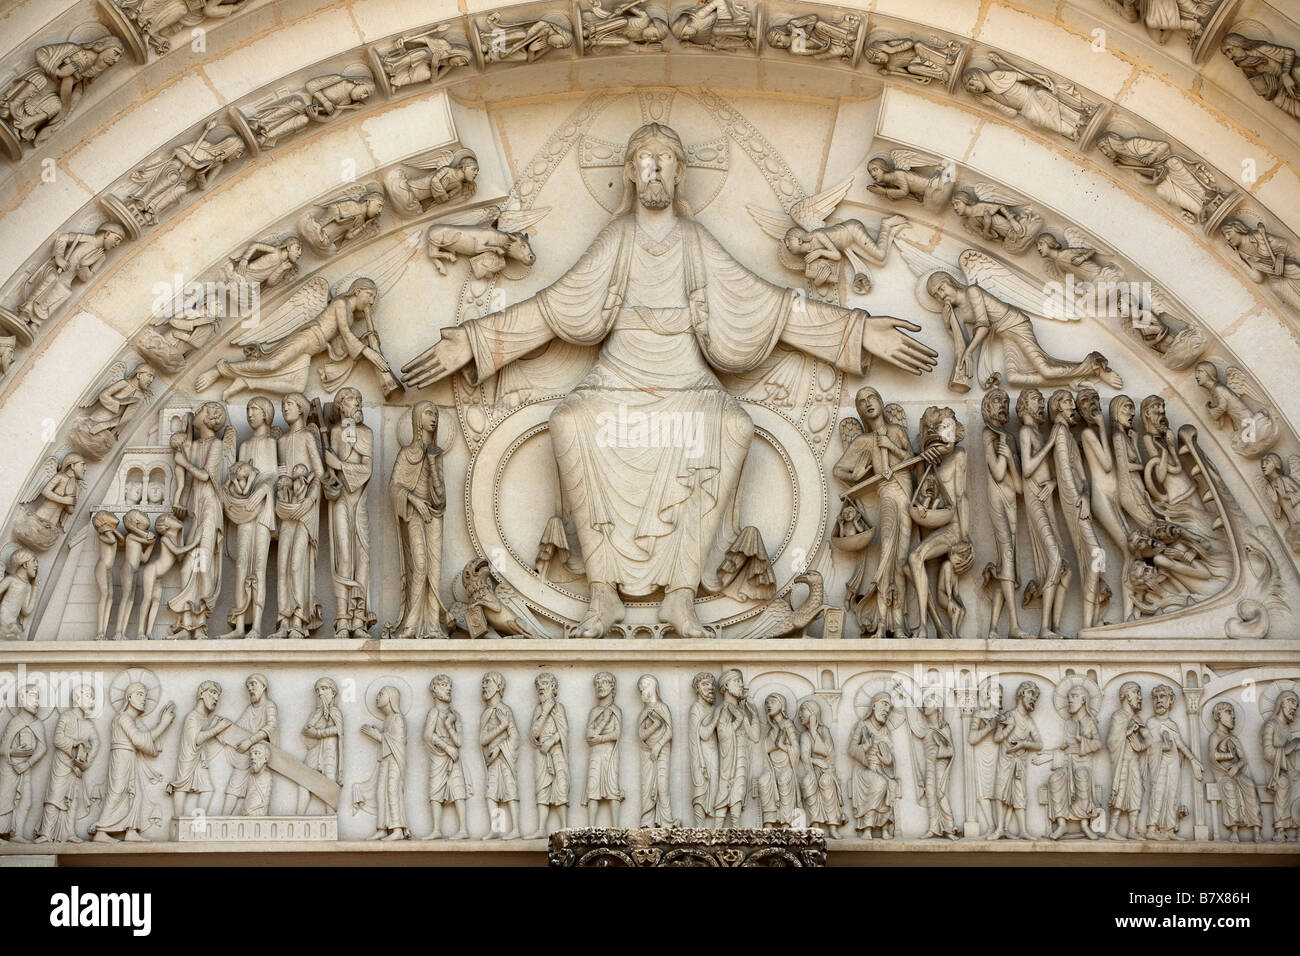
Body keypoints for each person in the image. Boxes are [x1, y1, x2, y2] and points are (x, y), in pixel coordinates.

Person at [402, 122, 936, 640]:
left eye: (665, 162)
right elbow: (552, 308)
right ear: (630, 174)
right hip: (617, 375)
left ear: (680, 175)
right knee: (571, 422)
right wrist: (471, 341)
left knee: (729, 425)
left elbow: (770, 307)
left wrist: (858, 331)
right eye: (643, 161)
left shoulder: (694, 240)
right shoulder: (618, 238)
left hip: (686, 374)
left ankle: (682, 594)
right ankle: (603, 590)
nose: (654, 170)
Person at [91, 682, 176, 842]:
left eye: (145, 695)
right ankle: (101, 831)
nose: (144, 699)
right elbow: (138, 740)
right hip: (121, 757)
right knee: (118, 791)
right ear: (129, 698)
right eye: (140, 694)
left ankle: (131, 830)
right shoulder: (123, 718)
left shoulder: (131, 720)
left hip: (129, 757)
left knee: (135, 794)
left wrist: (154, 744)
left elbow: (144, 744)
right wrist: (163, 724)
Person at [33, 684, 98, 843]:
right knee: (54, 796)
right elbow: (57, 739)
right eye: (88, 695)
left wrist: (86, 763)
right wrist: (75, 744)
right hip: (62, 764)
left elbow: (96, 742)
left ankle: (68, 833)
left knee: (73, 799)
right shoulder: (66, 717)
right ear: (77, 698)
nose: (92, 700)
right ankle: (46, 833)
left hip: (77, 767)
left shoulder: (88, 724)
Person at [423, 675, 469, 839]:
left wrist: (449, 725)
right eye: (443, 685)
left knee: (458, 789)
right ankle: (436, 829)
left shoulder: (454, 714)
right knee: (435, 790)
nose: (448, 688)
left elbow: (459, 741)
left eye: (449, 685)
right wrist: (446, 747)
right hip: (439, 756)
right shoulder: (434, 712)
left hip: (453, 758)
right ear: (434, 690)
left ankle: (463, 829)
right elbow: (428, 735)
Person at [1209, 701, 1261, 843]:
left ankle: (1256, 828)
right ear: (1219, 715)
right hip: (1222, 775)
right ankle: (1234, 830)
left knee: (1249, 785)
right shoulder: (1214, 737)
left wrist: (1236, 767)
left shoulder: (1234, 738)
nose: (1233, 717)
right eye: (1229, 712)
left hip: (1236, 772)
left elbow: (1243, 759)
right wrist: (1228, 759)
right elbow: (1213, 757)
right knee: (1229, 787)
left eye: (1233, 713)